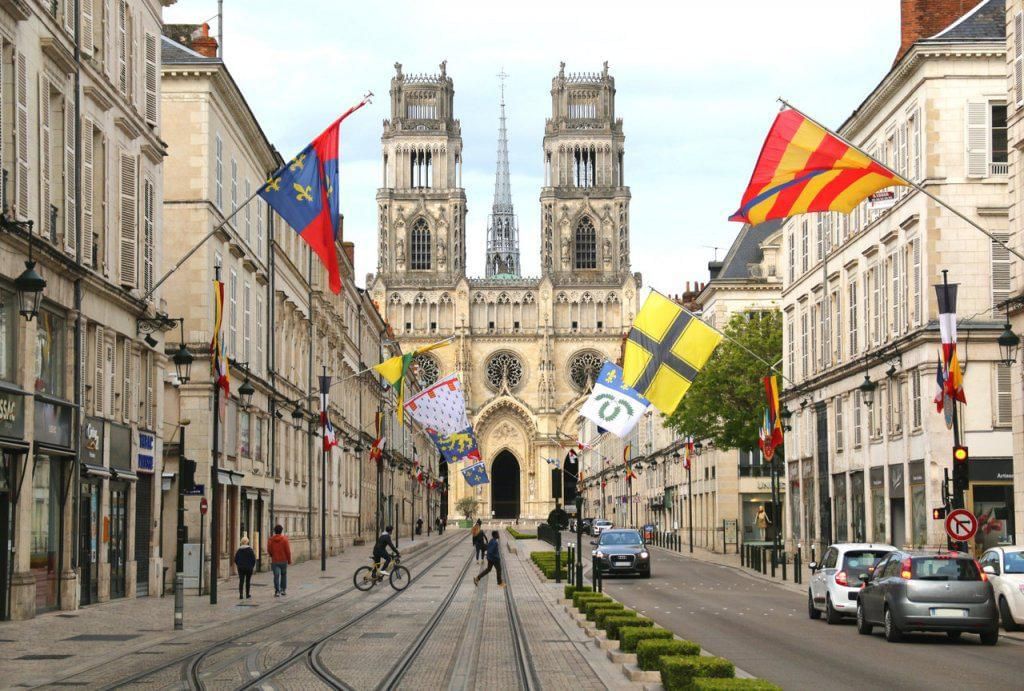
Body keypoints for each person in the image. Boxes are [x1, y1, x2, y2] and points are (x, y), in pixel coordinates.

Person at [267, 524, 292, 597]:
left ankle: (277, 591)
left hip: (275, 561)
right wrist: (289, 560)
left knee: (276, 576)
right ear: (281, 531)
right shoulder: (285, 539)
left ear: (275, 531)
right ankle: (283, 590)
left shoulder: (271, 539)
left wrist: (272, 555)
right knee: (283, 575)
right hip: (283, 560)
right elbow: (288, 551)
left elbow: (269, 549)